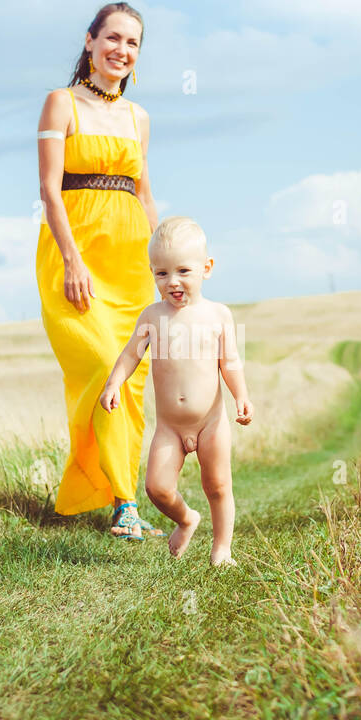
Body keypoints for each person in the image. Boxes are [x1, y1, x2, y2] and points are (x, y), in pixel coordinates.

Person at [36, 2, 165, 539]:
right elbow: (49, 189)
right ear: (90, 42)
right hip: (76, 256)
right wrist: (72, 260)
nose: (121, 51)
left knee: (129, 380)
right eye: (112, 38)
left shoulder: (139, 118)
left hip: (131, 259)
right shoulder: (60, 103)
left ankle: (124, 503)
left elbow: (144, 192)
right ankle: (102, 489)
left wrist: (164, 265)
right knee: (96, 364)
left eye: (132, 43)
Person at [99, 217, 253, 566]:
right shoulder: (152, 317)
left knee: (217, 485)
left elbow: (230, 362)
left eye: (184, 270)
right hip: (170, 427)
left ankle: (222, 549)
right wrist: (113, 384)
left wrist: (241, 397)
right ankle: (186, 518)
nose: (173, 282)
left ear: (207, 268)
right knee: (156, 487)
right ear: (152, 272)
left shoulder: (218, 315)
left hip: (210, 423)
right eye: (162, 273)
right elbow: (130, 355)